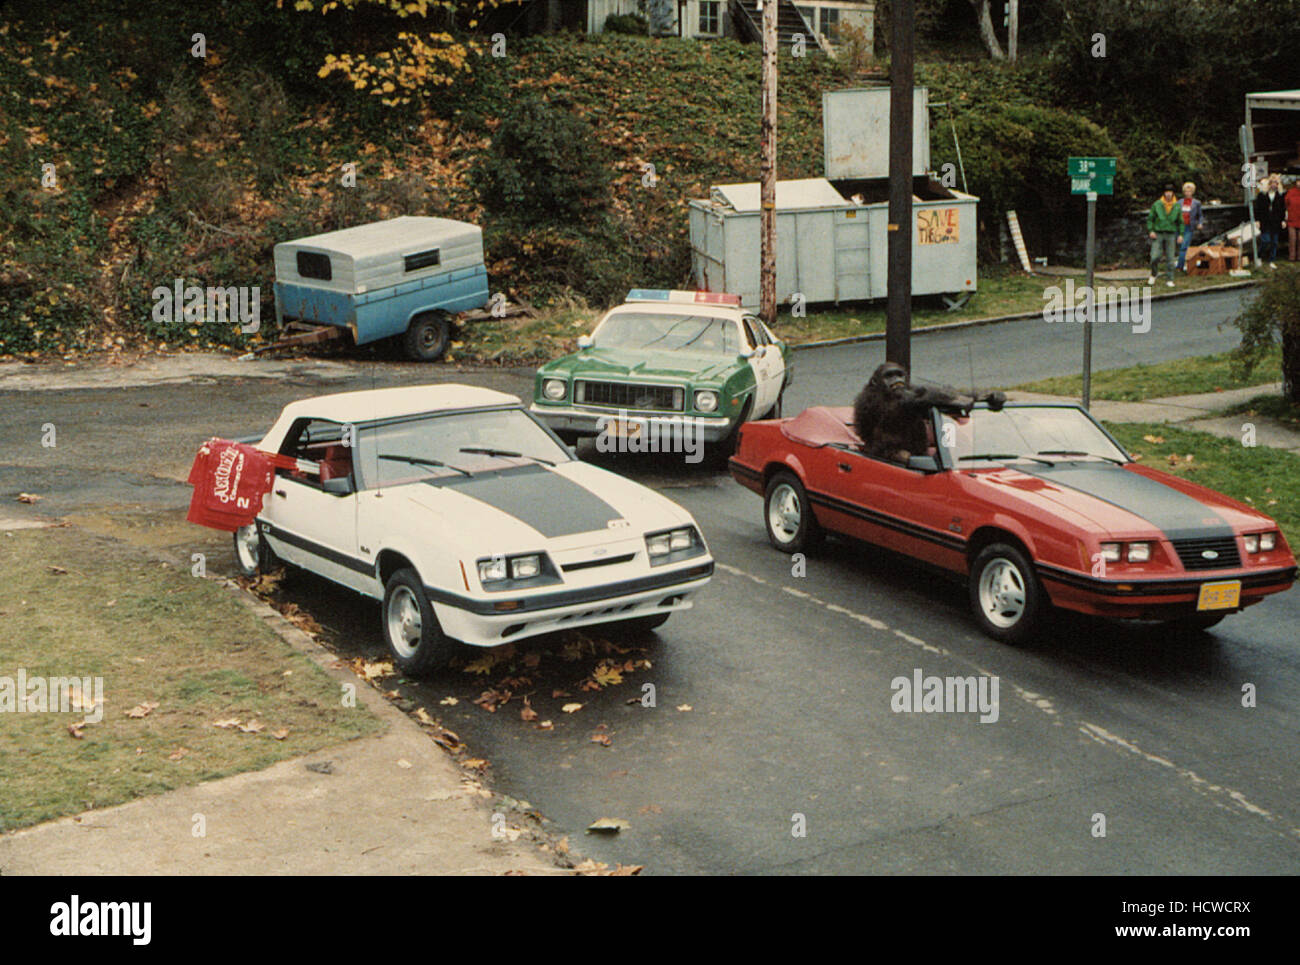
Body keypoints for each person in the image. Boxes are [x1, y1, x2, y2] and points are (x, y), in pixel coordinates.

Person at [1146, 183, 1181, 287]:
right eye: (1166, 192)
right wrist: (1151, 230)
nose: (1168, 194)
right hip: (1158, 233)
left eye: (1170, 192)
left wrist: (1181, 234)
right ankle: (1153, 274)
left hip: (1171, 233)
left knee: (1170, 257)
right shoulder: (1157, 204)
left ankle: (1170, 279)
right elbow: (1150, 219)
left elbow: (1180, 221)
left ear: (1173, 193)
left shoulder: (1177, 205)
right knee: (1154, 256)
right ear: (1164, 193)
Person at [1253, 174, 1286, 269]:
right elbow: (1258, 209)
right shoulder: (1262, 195)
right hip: (1265, 221)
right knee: (1265, 240)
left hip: (1275, 222)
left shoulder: (1280, 195)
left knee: (1274, 242)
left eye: (1276, 183)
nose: (1274, 185)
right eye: (1272, 183)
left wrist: (1283, 220)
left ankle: (1272, 260)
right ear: (1269, 184)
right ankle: (1259, 256)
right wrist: (1257, 220)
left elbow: (1282, 209)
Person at [1175, 181, 1206, 272]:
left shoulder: (1196, 203)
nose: (1187, 193)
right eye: (1186, 191)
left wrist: (1200, 223)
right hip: (1180, 227)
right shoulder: (1179, 202)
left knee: (1184, 246)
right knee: (1181, 246)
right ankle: (1185, 264)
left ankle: (1180, 267)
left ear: (1192, 192)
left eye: (1189, 191)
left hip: (1189, 227)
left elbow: (1200, 215)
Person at [1285, 176, 1300, 263]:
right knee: (1292, 239)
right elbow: (1286, 203)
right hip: (1292, 219)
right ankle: (1292, 257)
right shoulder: (1291, 192)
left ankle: (1299, 257)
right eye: (1298, 182)